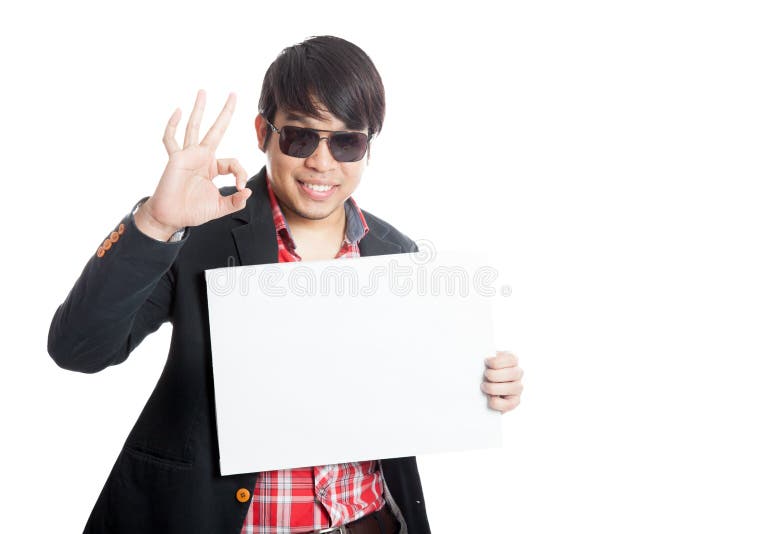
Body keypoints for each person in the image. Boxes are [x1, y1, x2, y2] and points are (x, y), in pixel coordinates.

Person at [47, 35, 523, 534]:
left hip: (371, 521)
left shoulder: (395, 256)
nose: (322, 162)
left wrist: (485, 386)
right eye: (300, 138)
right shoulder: (196, 235)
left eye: (347, 142)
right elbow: (77, 348)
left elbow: (417, 392)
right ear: (263, 133)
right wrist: (157, 222)